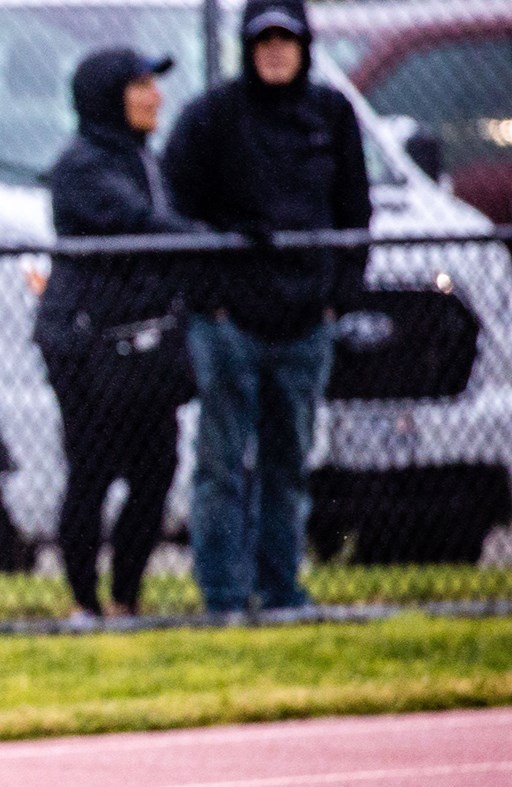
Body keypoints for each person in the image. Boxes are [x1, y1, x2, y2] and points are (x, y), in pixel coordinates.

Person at [163, 0, 371, 613]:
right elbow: (175, 214)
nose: (276, 52)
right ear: (247, 48)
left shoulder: (331, 115)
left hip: (306, 323)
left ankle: (282, 590)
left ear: (305, 46)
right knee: (222, 466)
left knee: (289, 465)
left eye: (287, 40)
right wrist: (211, 301)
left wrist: (337, 298)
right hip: (231, 324)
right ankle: (224, 595)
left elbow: (355, 211)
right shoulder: (212, 117)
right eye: (265, 42)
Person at [35, 49, 202, 619]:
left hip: (147, 346)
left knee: (156, 473)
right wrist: (211, 239)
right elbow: (140, 224)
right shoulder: (82, 166)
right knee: (92, 471)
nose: (156, 96)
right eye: (141, 85)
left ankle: (126, 599)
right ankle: (85, 604)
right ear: (109, 97)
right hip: (86, 347)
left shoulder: (146, 159)